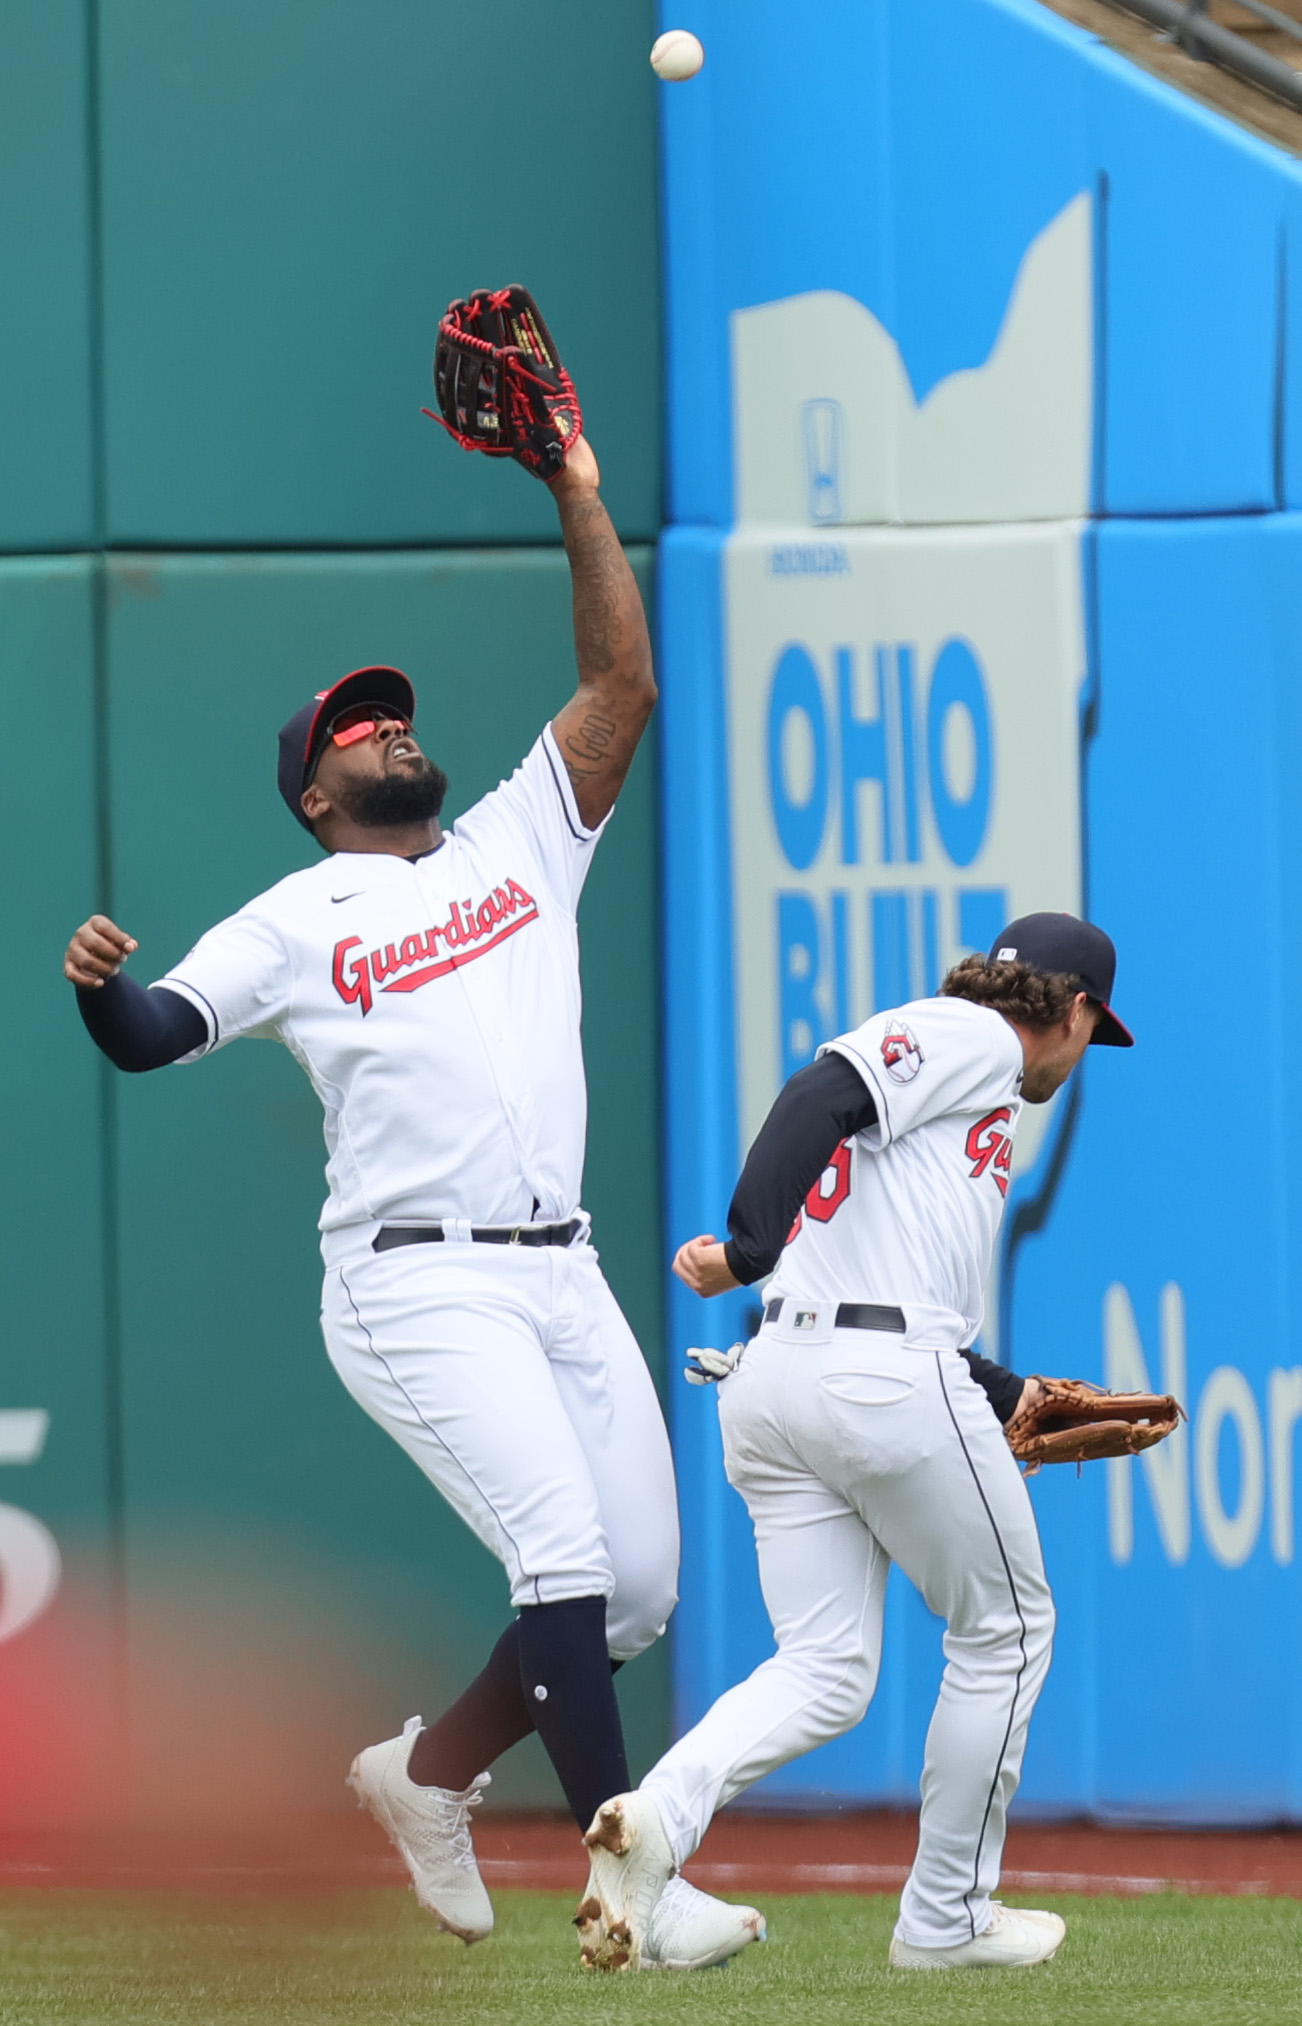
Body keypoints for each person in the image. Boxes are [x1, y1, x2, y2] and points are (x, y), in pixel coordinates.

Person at [63, 433, 761, 1971]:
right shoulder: (298, 911)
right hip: (413, 1281)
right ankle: (636, 1883)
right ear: (316, 789)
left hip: (557, 1268)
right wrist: (98, 995)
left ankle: (427, 1772)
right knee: (563, 1560)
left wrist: (574, 482)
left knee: (635, 1586)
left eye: (398, 713)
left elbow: (620, 690)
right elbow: (156, 1037)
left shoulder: (519, 834)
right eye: (358, 728)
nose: (390, 729)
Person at [574, 915, 1133, 1973]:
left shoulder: (957, 1089)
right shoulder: (979, 1039)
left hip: (783, 1377)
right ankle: (947, 1915)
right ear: (1074, 1010)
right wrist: (749, 1242)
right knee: (1009, 1628)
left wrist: (1006, 1390)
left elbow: (892, 1278)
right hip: (872, 1375)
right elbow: (816, 1092)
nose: (1077, 1056)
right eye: (1090, 1033)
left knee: (827, 1667)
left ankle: (654, 1822)